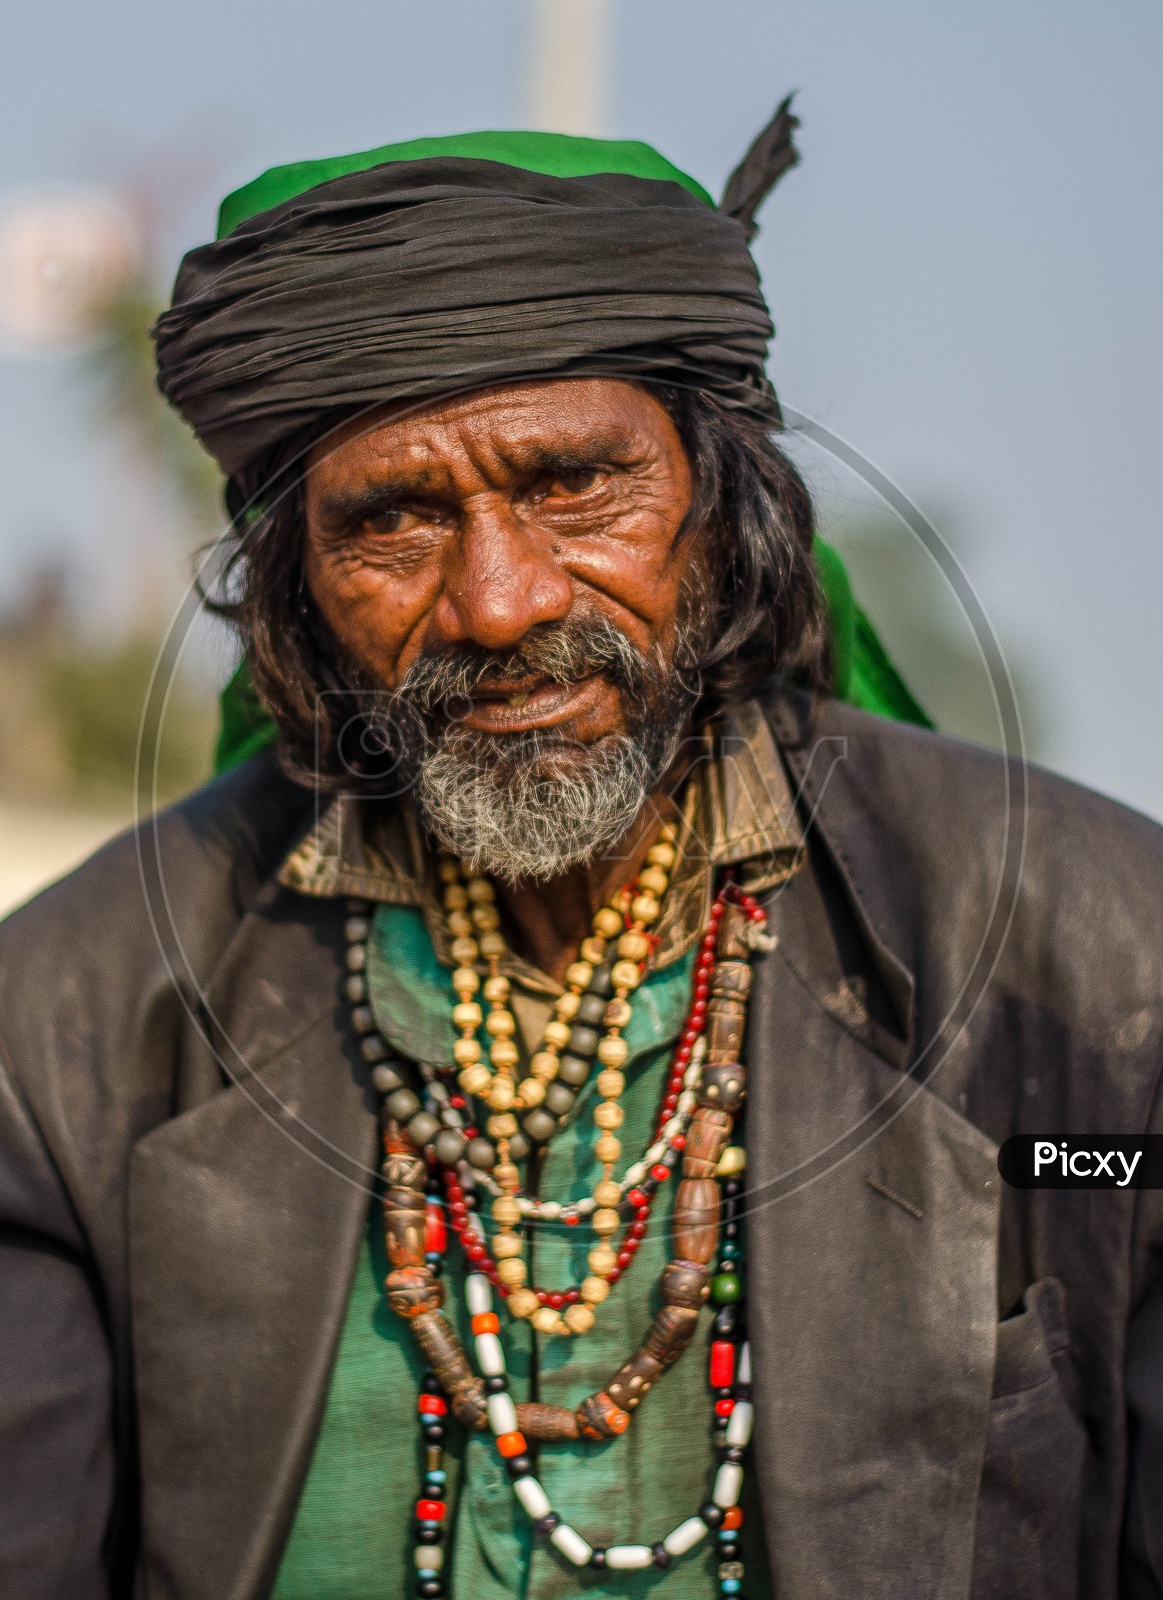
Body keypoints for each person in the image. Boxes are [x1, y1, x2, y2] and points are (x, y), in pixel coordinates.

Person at [0, 107, 1160, 1600]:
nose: (498, 601)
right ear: (293, 587)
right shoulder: (65, 1034)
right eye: (395, 524)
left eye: (572, 487)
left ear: (730, 504)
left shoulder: (1111, 983)